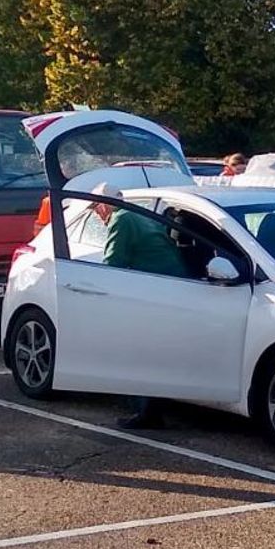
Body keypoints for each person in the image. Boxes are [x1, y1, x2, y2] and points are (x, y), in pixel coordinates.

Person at [91, 182, 186, 429]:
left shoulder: (120, 220)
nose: (95, 213)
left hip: (151, 290)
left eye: (94, 207)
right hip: (174, 287)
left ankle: (146, 411)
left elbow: (113, 263)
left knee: (135, 350)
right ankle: (152, 407)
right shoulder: (139, 215)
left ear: (105, 205)